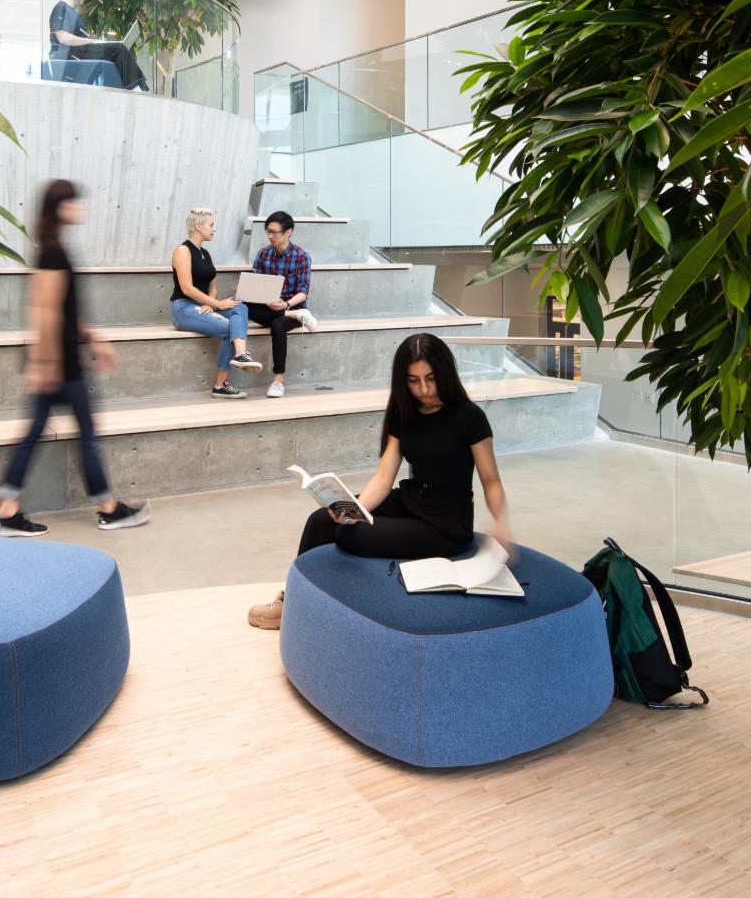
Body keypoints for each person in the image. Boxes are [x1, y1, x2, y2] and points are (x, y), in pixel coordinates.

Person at [247, 331, 510, 628]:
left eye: (431, 378)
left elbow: (491, 480)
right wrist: (354, 509)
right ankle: (293, 601)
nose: (423, 388)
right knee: (322, 520)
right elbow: (384, 477)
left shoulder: (470, 417)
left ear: (445, 373)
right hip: (411, 501)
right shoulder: (404, 413)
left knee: (353, 534)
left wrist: (501, 523)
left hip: (445, 525)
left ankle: (311, 606)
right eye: (413, 380)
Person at [0, 179, 150, 536]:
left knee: (38, 434)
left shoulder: (54, 248)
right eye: (75, 202)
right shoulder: (52, 251)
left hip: (59, 360)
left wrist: (94, 338)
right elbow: (44, 309)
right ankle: (108, 509)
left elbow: (63, 309)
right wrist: (44, 364)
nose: (81, 207)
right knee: (84, 436)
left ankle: (8, 511)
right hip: (60, 364)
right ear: (60, 208)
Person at [170, 206, 262, 398]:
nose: (214, 229)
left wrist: (212, 303)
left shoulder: (206, 253)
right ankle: (222, 384)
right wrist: (217, 304)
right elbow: (187, 288)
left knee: (240, 307)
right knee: (231, 329)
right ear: (198, 226)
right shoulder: (182, 251)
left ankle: (240, 355)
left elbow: (213, 286)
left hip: (204, 306)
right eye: (211, 225)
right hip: (183, 308)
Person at [248, 210, 319, 398]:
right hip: (268, 305)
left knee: (278, 325)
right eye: (268, 232)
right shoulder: (263, 254)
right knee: (241, 303)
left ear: (288, 232)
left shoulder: (301, 256)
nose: (270, 236)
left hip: (292, 305)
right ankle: (299, 317)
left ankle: (278, 381)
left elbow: (303, 292)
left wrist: (286, 305)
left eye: (274, 232)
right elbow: (256, 285)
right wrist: (267, 300)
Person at [48, 0, 149, 90]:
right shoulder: (61, 8)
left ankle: (130, 89)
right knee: (118, 49)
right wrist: (90, 41)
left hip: (78, 57)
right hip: (70, 61)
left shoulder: (72, 12)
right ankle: (137, 89)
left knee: (115, 53)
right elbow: (63, 38)